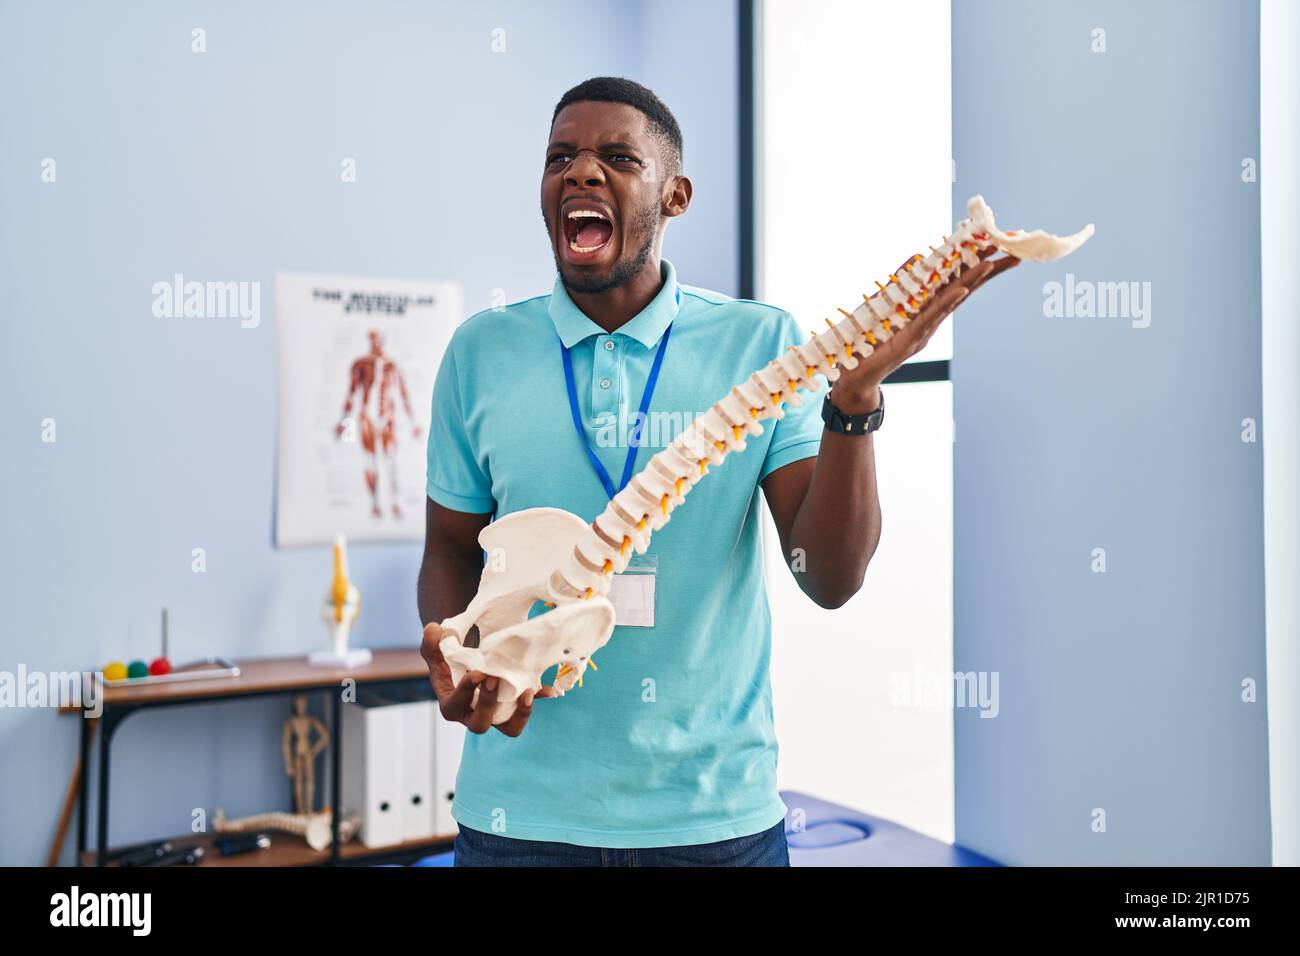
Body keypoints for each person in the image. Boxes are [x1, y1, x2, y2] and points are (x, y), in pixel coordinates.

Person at [417, 76, 1016, 867]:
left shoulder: (762, 346)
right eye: (561, 156)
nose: (581, 173)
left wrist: (854, 399)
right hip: (519, 822)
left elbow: (829, 577)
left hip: (715, 827)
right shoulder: (480, 351)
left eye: (618, 158)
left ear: (675, 196)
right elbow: (452, 549)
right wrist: (458, 656)